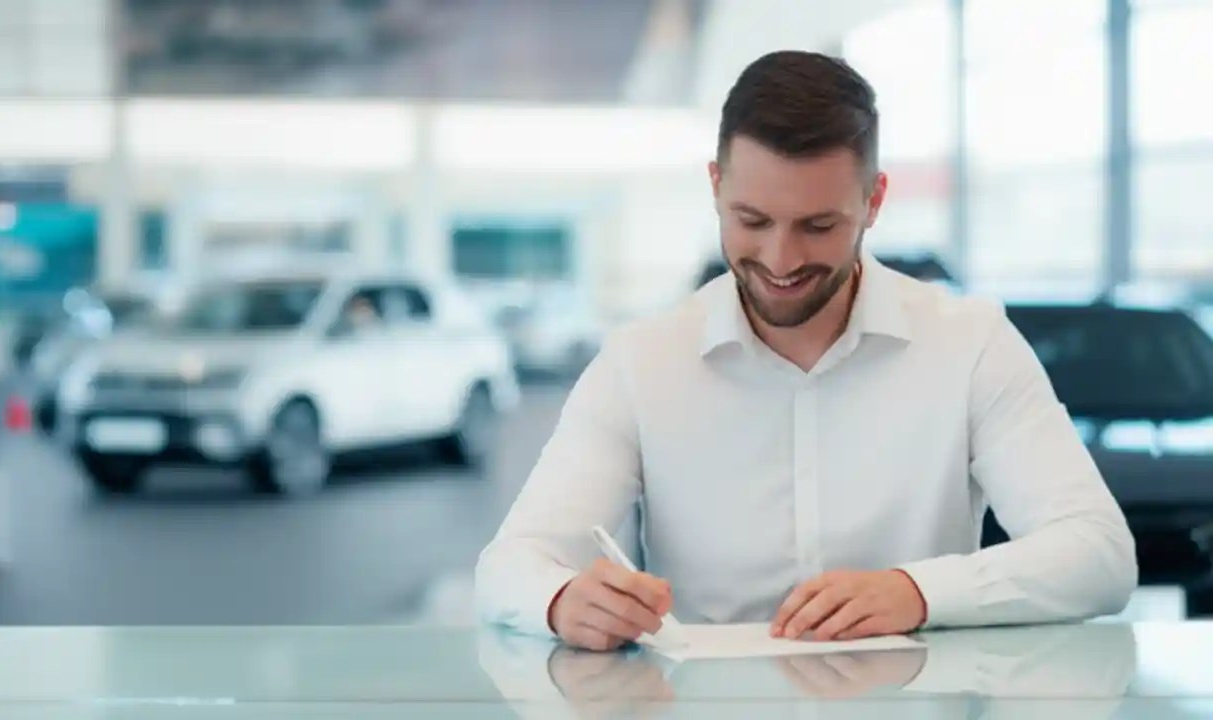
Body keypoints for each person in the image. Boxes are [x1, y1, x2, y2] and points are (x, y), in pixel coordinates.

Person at [475, 50, 1136, 652]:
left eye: (819, 226)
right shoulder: (640, 361)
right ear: (715, 187)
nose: (780, 260)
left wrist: (916, 592)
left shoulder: (970, 344)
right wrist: (562, 600)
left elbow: (1099, 555)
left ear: (873, 201)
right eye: (752, 220)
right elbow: (511, 564)